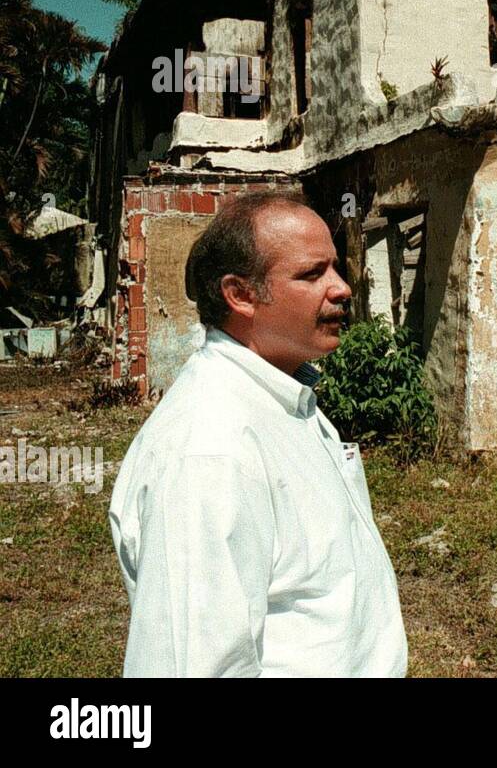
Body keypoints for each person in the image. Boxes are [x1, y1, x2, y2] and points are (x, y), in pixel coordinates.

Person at [108, 192, 408, 677]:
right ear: (240, 294)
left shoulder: (287, 398)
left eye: (335, 267)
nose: (342, 288)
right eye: (312, 274)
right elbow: (191, 666)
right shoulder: (208, 449)